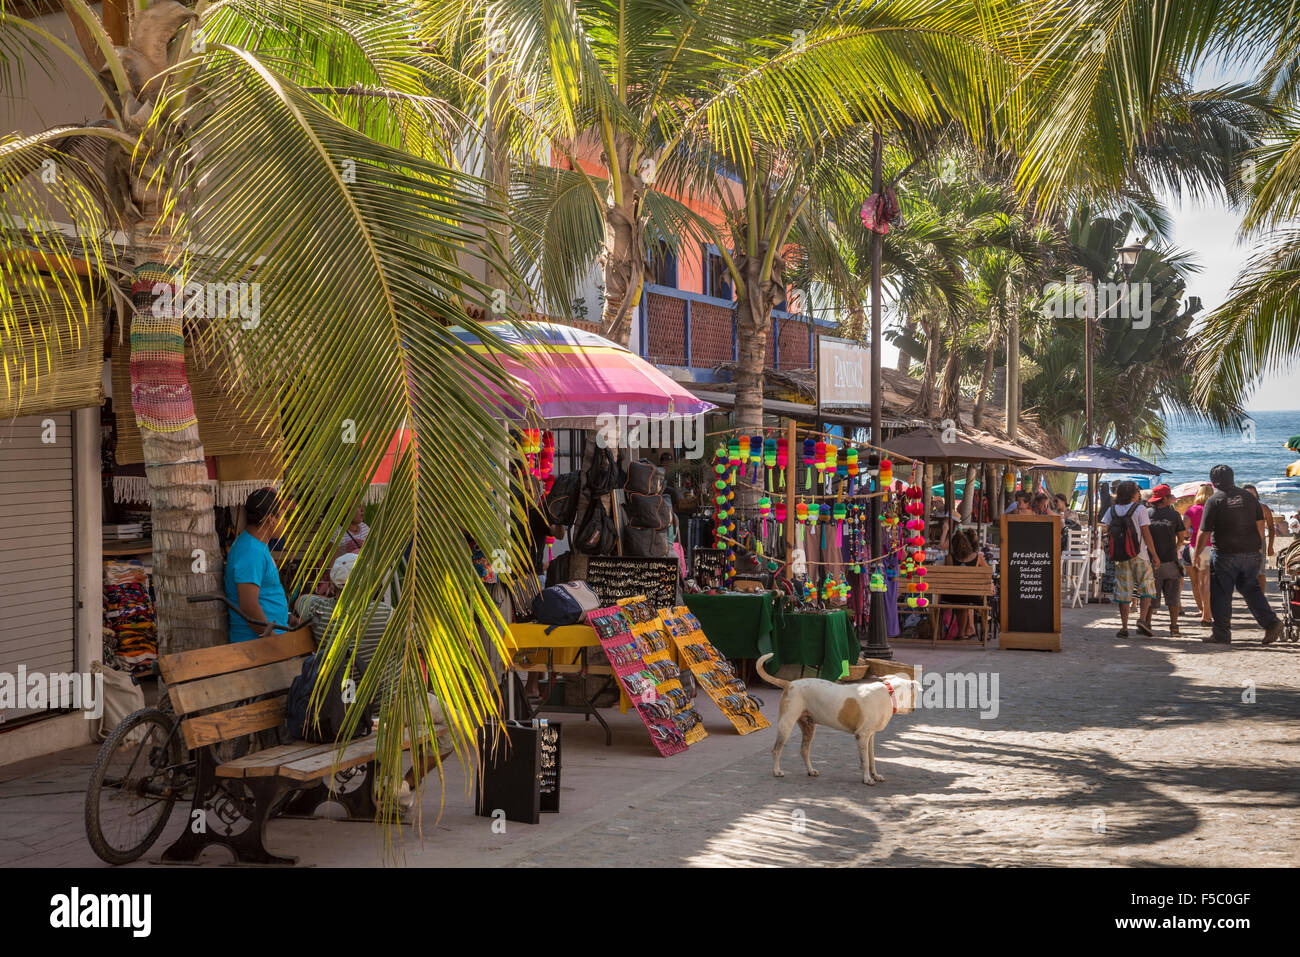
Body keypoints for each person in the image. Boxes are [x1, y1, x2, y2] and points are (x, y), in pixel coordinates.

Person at [295, 552, 452, 813]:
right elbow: (419, 641)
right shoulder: (384, 615)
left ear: (333, 585)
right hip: (398, 705)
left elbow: (300, 600)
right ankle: (405, 786)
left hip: (354, 708)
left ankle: (396, 790)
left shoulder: (319, 611)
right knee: (456, 724)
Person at [1193, 464, 1283, 645]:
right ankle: (1271, 623)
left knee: (1221, 593)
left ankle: (1221, 633)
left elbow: (1204, 531)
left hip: (1225, 554)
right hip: (1251, 552)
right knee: (1251, 589)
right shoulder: (1249, 497)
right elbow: (1260, 524)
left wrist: (1197, 554)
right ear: (1233, 478)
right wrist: (1258, 547)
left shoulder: (1214, 500)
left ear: (1213, 482)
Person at [225, 487, 296, 642]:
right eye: (283, 516)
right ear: (271, 519)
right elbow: (249, 605)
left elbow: (265, 593)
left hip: (270, 639)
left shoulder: (256, 546)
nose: (285, 521)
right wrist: (273, 640)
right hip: (257, 645)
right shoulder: (251, 552)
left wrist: (287, 617)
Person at [1099, 480, 1160, 638]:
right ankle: (1142, 619)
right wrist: (1154, 555)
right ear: (1132, 494)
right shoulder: (1140, 509)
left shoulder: (1112, 510)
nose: (1139, 493)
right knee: (1147, 588)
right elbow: (1146, 534)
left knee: (1123, 592)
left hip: (1120, 556)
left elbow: (1105, 529)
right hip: (1140, 555)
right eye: (1137, 491)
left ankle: (1124, 627)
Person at [1142, 484, 1187, 636]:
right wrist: (1175, 548)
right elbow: (1181, 537)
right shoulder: (1174, 515)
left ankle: (1147, 623)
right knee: (1173, 596)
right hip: (1170, 561)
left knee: (1150, 595)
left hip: (1151, 561)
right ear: (1166, 498)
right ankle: (1174, 627)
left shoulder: (1147, 513)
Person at [943, 529, 992, 639]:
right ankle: (984, 632)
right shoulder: (977, 557)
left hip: (952, 596)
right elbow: (988, 574)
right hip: (973, 596)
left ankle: (961, 633)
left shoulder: (950, 557)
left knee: (961, 602)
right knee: (978, 602)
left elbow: (948, 577)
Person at [1183, 484, 1213, 625]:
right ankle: (1208, 612)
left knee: (1200, 581)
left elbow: (1183, 531)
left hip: (1196, 546)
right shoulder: (1214, 509)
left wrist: (1192, 533)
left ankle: (1204, 612)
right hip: (1212, 546)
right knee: (1208, 581)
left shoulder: (1192, 510)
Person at [1242, 484, 1275, 595]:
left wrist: (1270, 547)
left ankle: (1261, 597)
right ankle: (1250, 596)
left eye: (1252, 493)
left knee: (1260, 573)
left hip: (1260, 543)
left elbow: (1271, 528)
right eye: (1247, 493)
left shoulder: (1264, 508)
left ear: (1256, 494)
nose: (1250, 495)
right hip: (1243, 544)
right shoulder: (1239, 509)